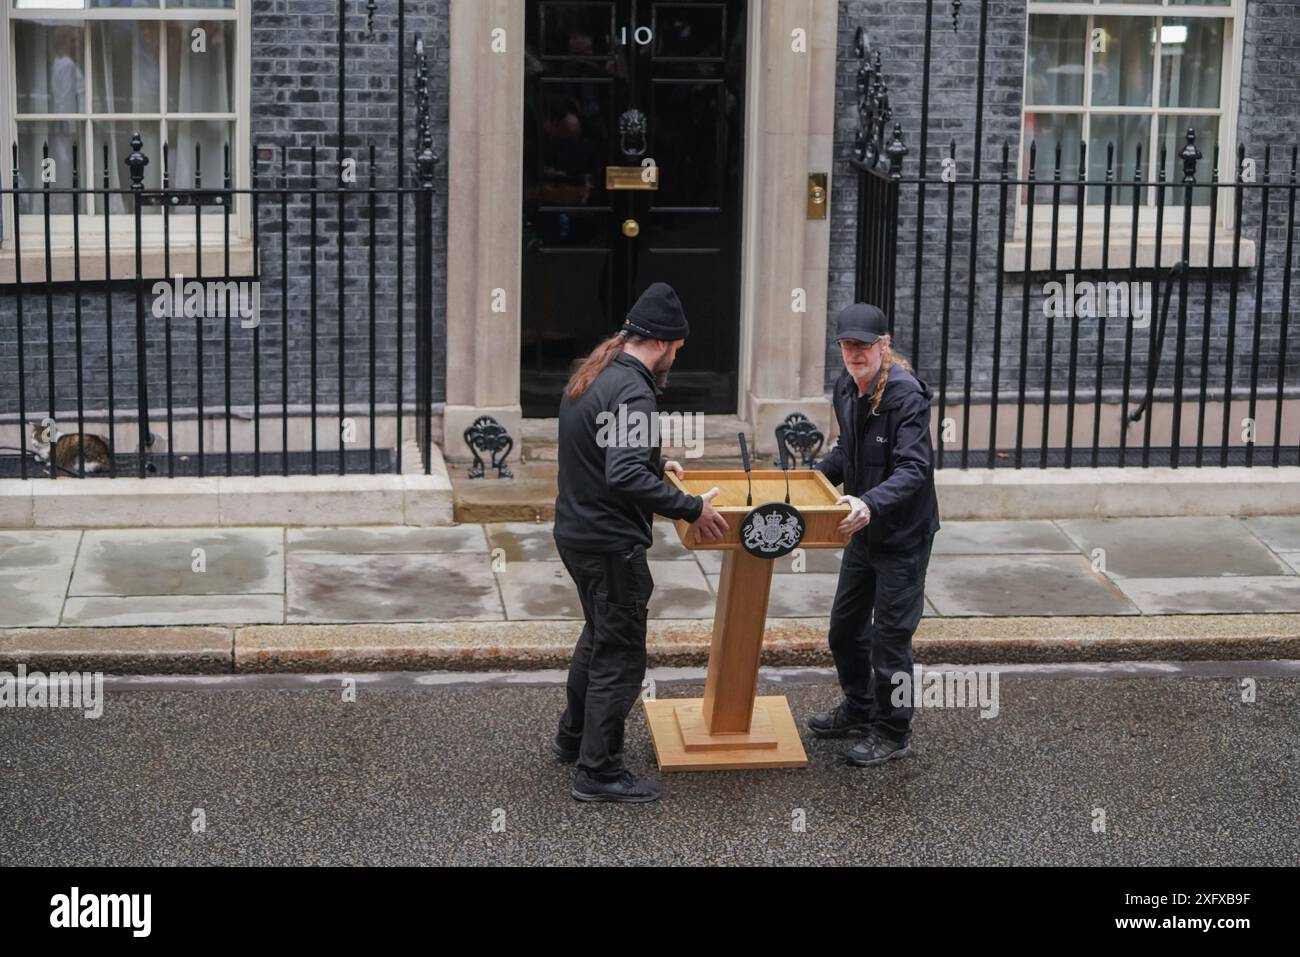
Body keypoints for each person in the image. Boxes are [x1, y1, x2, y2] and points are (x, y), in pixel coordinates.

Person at [552, 282, 730, 803]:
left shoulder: (595, 375)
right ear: (665, 343)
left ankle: (572, 739)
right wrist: (692, 507)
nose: (676, 357)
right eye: (678, 349)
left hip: (577, 535)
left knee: (599, 637)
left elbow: (607, 453)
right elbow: (623, 475)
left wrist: (657, 462)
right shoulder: (633, 390)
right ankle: (600, 772)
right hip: (610, 545)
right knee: (621, 655)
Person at [809, 303, 941, 767]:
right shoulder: (846, 386)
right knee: (844, 630)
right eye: (847, 345)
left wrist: (868, 502)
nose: (854, 353)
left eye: (864, 345)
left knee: (890, 639)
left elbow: (914, 468)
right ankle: (860, 707)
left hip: (902, 535)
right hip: (862, 528)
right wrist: (814, 482)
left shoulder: (906, 397)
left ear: (884, 346)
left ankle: (892, 729)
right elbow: (847, 449)